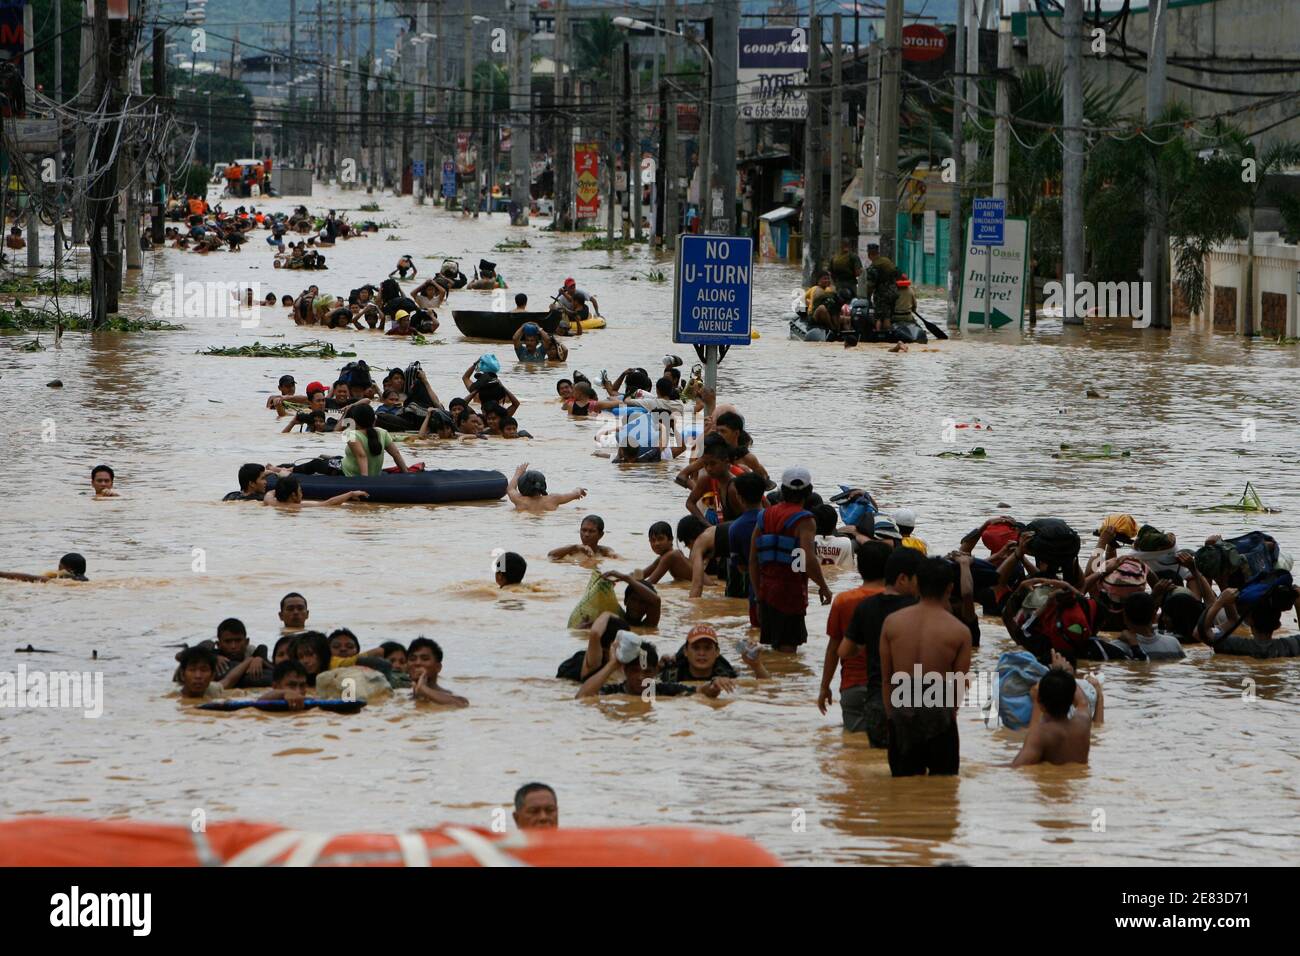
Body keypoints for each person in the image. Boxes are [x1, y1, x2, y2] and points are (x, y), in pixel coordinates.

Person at [878, 557, 973, 777]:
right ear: (950, 588)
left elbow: (886, 678)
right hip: (939, 709)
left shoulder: (892, 623)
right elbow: (959, 684)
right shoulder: (959, 631)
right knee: (944, 795)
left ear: (917, 584)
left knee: (902, 791)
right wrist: (949, 716)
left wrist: (891, 718)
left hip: (902, 707)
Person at [748, 467, 832, 652]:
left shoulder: (764, 515)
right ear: (809, 492)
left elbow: (753, 560)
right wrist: (824, 587)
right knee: (788, 653)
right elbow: (808, 559)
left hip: (766, 591)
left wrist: (758, 596)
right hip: (791, 593)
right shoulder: (805, 520)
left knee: (773, 650)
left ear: (782, 491)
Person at [819, 540, 891, 730]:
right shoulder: (900, 601)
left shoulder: (844, 601)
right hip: (891, 687)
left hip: (853, 685)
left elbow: (833, 648)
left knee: (853, 749)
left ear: (859, 567)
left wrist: (824, 687)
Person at [1011, 652, 1104, 767]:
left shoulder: (1040, 735)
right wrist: (1065, 673)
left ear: (1040, 701)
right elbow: (1082, 701)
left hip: (1050, 784)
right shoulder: (1082, 722)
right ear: (1071, 700)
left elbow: (1016, 767)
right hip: (1076, 784)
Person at [575, 639, 730, 700]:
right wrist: (612, 665)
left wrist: (715, 684)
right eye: (635, 670)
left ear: (656, 673)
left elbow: (700, 691)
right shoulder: (613, 691)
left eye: (647, 672)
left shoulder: (663, 689)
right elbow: (582, 697)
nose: (641, 677)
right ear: (625, 670)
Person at [661, 622, 769, 684]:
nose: (702, 653)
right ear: (685, 652)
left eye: (707, 648)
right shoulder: (672, 674)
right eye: (696, 648)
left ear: (717, 652)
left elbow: (769, 688)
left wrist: (756, 665)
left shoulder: (726, 673)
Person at [342, 405, 412, 477]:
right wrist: (406, 474)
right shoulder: (382, 432)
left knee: (331, 461)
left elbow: (361, 456)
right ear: (374, 419)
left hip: (348, 473)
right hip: (375, 474)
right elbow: (396, 454)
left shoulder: (350, 434)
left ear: (354, 421)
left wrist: (364, 480)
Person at [213, 618, 273, 689]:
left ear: (246, 642)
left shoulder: (253, 653)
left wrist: (259, 659)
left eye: (238, 641)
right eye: (228, 641)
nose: (233, 646)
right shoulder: (212, 656)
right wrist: (213, 657)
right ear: (218, 644)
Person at [408, 637, 469, 706]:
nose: (417, 663)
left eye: (425, 659)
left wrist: (423, 688)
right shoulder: (404, 696)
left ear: (438, 667)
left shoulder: (448, 695)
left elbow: (463, 704)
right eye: (412, 659)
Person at [507, 463, 587, 513]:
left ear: (522, 485)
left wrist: (518, 474)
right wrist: (579, 489)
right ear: (543, 485)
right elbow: (576, 494)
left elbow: (510, 489)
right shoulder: (553, 499)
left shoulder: (519, 500)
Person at [263, 475, 369, 507]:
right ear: (293, 495)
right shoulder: (297, 507)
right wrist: (351, 493)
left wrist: (282, 487)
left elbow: (269, 493)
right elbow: (328, 503)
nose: (302, 493)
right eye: (300, 491)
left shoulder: (271, 502)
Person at [549, 515, 619, 561]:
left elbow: (618, 559)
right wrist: (574, 547)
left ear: (601, 535)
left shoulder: (604, 551)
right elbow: (550, 556)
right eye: (584, 530)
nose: (586, 534)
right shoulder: (572, 549)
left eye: (591, 531)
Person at [0, 552, 89, 583]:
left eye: (60, 567)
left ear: (69, 569)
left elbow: (29, 578)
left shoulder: (63, 582)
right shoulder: (85, 581)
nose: (58, 570)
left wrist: (2, 574)